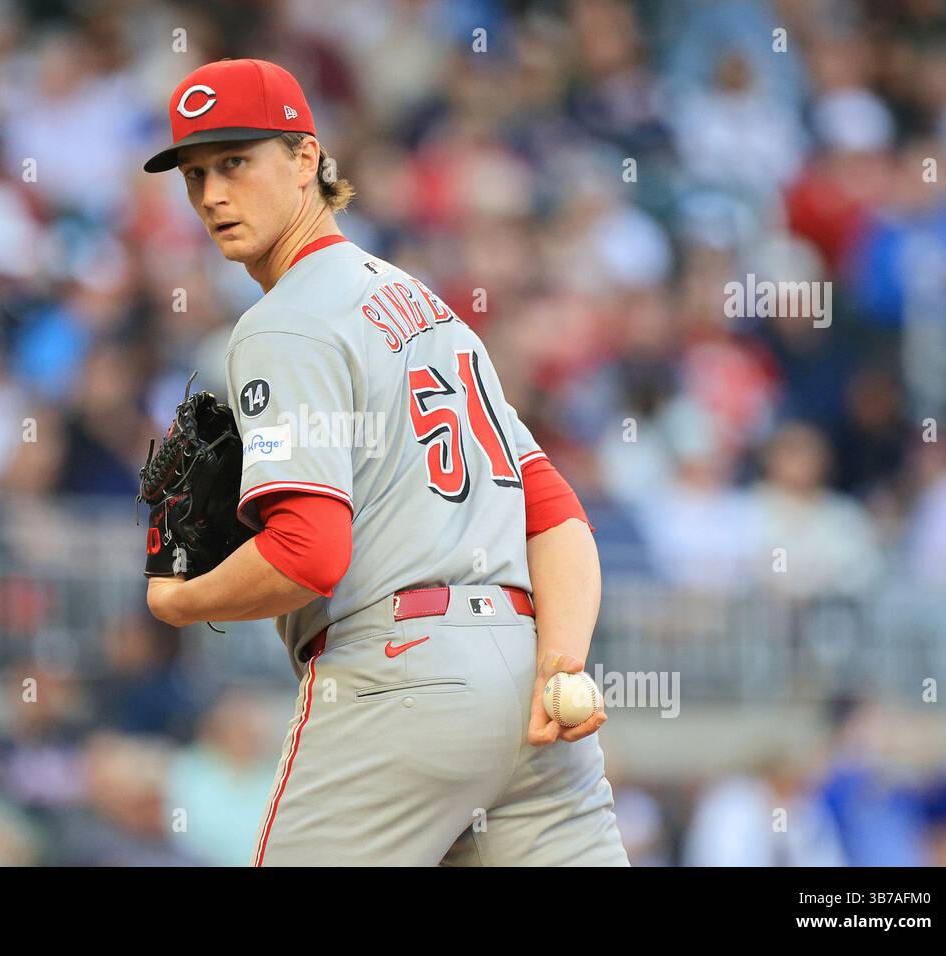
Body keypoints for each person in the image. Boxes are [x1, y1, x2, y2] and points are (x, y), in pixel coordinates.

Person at [141, 59, 627, 866]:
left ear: (306, 160)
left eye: (236, 162)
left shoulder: (283, 321)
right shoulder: (429, 308)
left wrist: (180, 603)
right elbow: (558, 516)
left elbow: (308, 553)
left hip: (399, 681)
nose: (213, 195)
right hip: (530, 683)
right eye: (195, 175)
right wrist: (560, 664)